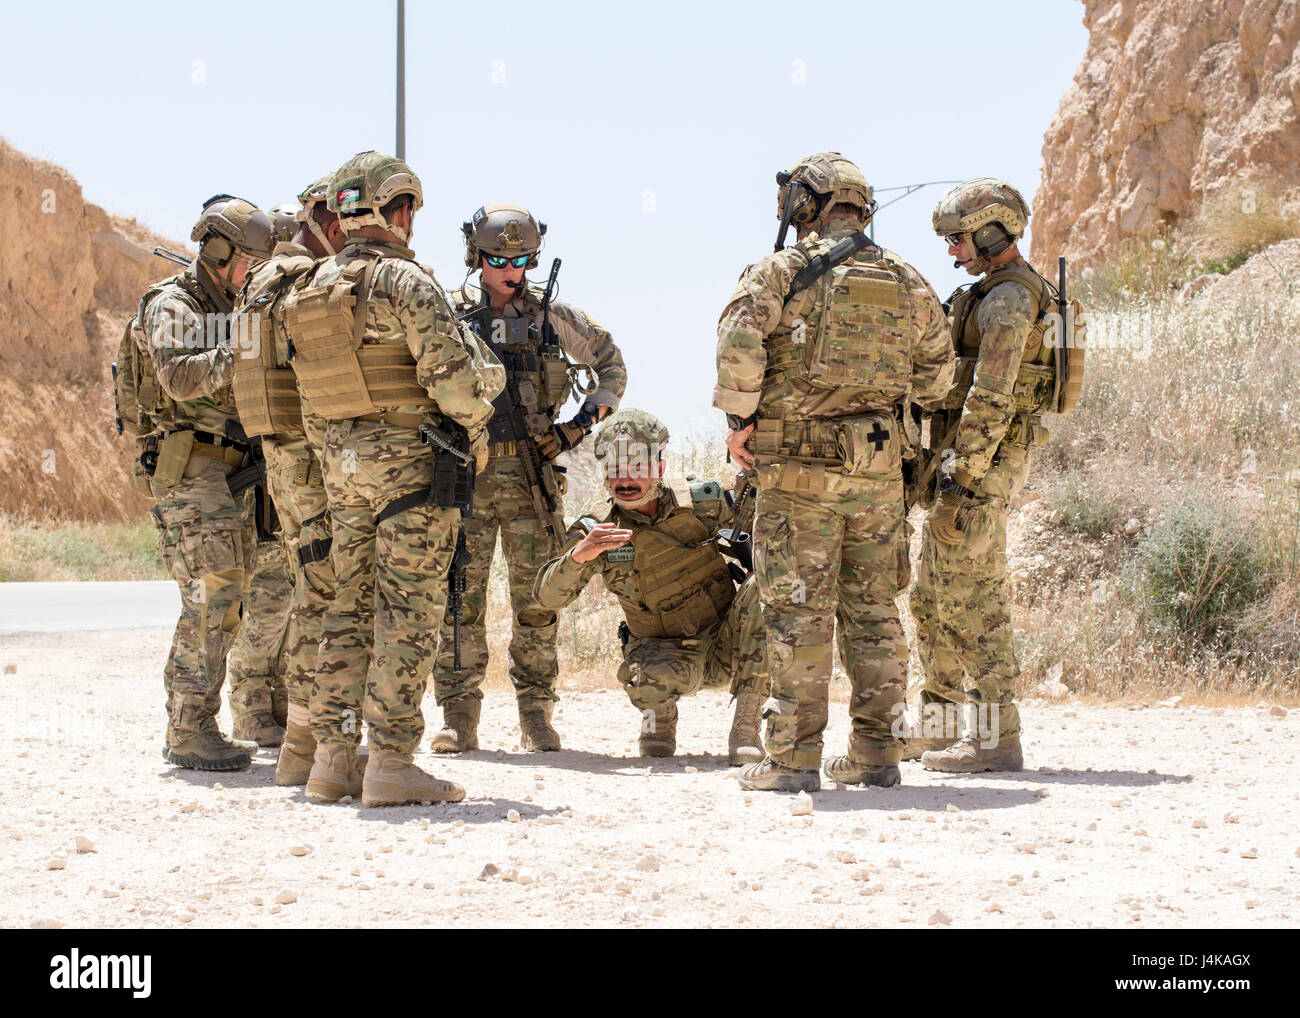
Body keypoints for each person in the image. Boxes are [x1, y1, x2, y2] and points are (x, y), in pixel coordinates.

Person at [713, 152, 954, 792]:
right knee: (874, 611)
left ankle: (792, 760)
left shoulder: (780, 272)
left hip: (798, 476)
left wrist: (739, 424)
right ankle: (878, 755)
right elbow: (938, 377)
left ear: (805, 204)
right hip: (878, 479)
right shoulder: (908, 280)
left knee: (798, 614)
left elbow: (739, 349)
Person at [283, 151, 504, 807]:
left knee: (347, 611)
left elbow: (308, 400)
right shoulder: (406, 283)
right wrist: (478, 426)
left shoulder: (312, 288)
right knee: (407, 612)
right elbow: (455, 382)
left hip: (342, 476)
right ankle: (390, 762)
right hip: (413, 471)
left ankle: (332, 760)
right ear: (399, 209)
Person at [429, 204, 627, 753]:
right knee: (457, 599)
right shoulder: (447, 313)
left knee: (537, 601)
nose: (509, 270)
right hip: (463, 474)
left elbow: (613, 368)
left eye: (519, 259)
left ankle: (535, 715)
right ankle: (459, 717)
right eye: (497, 259)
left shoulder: (552, 317)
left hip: (531, 479)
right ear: (477, 256)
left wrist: (576, 428)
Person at [909, 178, 1054, 773]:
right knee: (930, 598)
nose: (952, 253)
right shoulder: (988, 293)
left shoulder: (1011, 300)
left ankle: (996, 738)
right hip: (963, 468)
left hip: (979, 473)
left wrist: (960, 476)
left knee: (974, 603)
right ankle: (940, 727)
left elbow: (991, 397)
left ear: (993, 230)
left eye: (959, 240)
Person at [532, 409, 767, 762]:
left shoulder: (702, 503)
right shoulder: (597, 528)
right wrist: (580, 555)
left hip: (727, 645)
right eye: (615, 471)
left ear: (658, 468)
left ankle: (746, 728)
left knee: (768, 588)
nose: (626, 480)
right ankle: (657, 721)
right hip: (663, 660)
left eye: (636, 469)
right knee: (655, 743)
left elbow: (764, 528)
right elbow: (546, 597)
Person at [134, 194, 276, 771]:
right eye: (249, 260)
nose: (253, 273)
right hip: (189, 469)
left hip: (230, 473)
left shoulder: (229, 305)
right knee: (211, 595)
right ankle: (189, 728)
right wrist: (247, 339)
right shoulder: (174, 303)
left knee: (234, 596)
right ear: (218, 250)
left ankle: (201, 721)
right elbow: (178, 377)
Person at [231, 176, 347, 783]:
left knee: (309, 583)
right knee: (323, 589)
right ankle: (311, 739)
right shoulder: (303, 279)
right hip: (308, 452)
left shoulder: (263, 277)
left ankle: (301, 736)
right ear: (332, 223)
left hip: (283, 454)